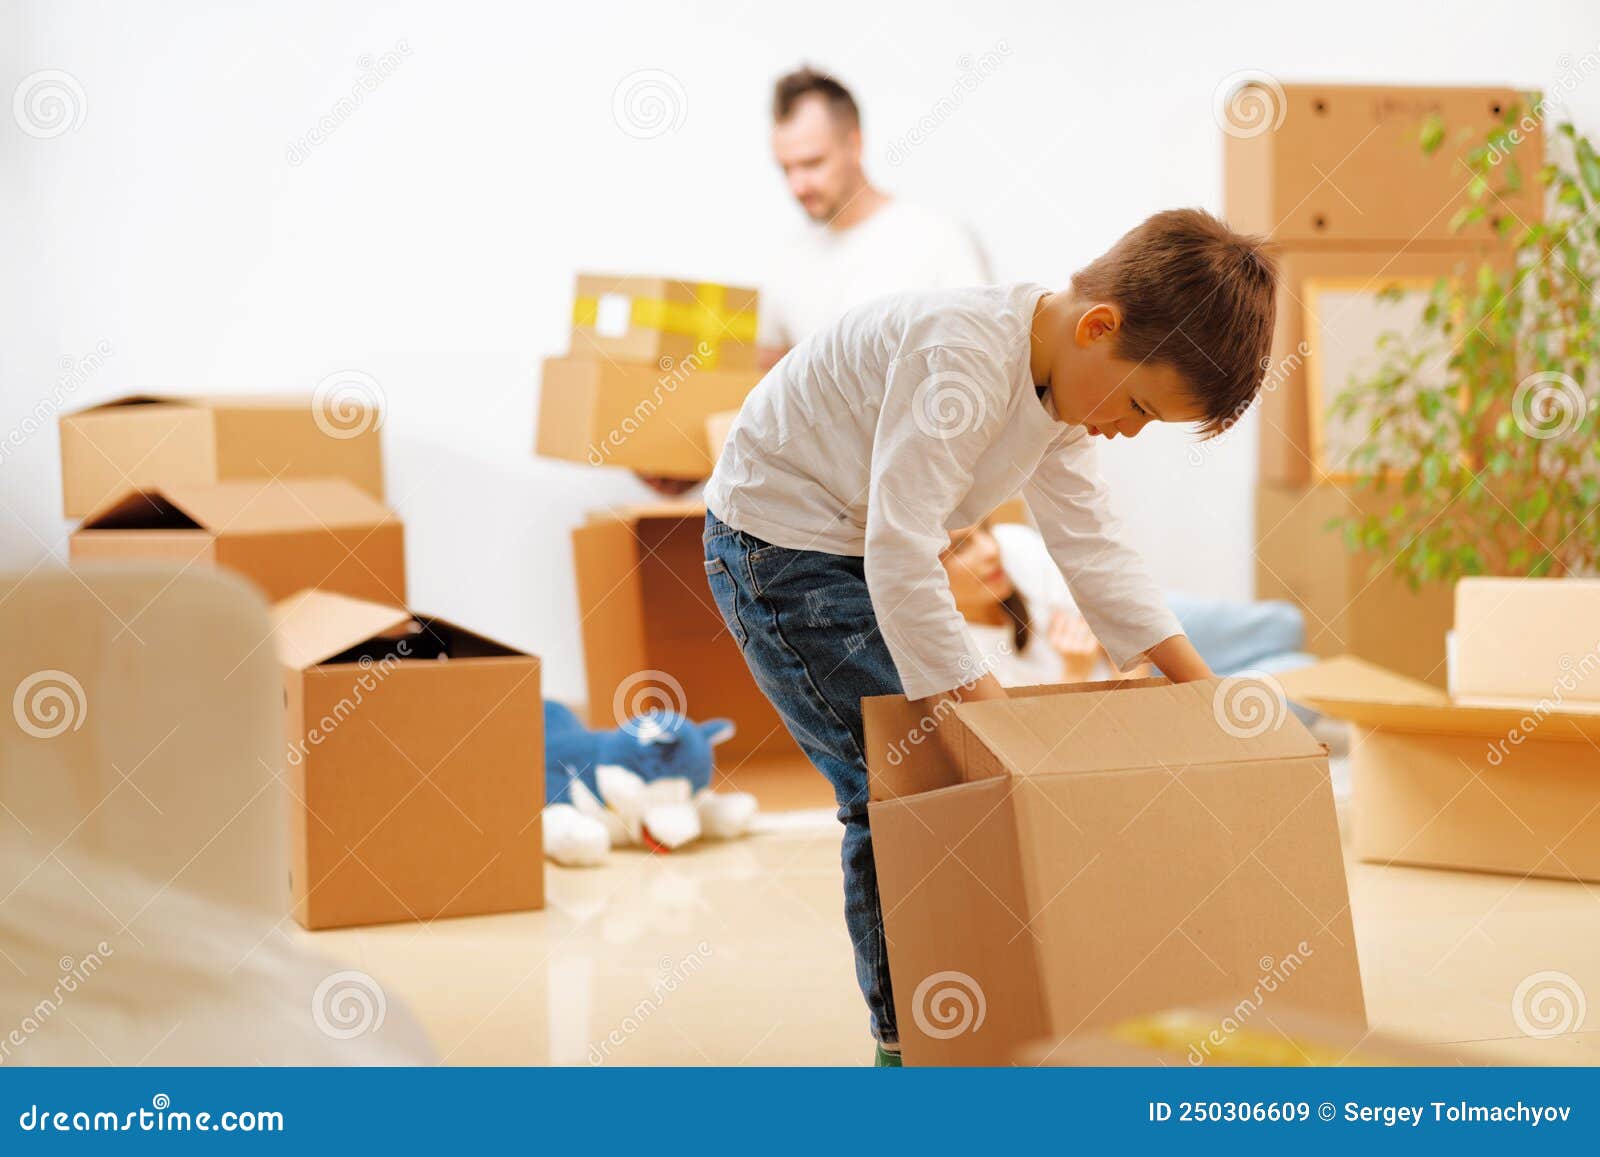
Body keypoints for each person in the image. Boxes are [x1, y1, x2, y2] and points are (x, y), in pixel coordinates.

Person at [701, 208, 1278, 1065]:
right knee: (896, 783)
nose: (1127, 430)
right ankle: (908, 1046)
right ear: (1099, 326)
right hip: (779, 544)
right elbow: (903, 550)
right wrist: (991, 717)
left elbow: (1092, 542)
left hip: (861, 543)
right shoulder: (963, 352)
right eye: (1140, 407)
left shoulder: (1066, 390)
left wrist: (1205, 690)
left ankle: (987, 1015)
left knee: (948, 778)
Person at [761, 67, 991, 360]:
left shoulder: (940, 242)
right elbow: (770, 390)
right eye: (786, 168)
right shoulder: (785, 266)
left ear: (854, 144)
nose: (797, 186)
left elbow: (984, 364)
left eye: (812, 163)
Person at [942, 518, 1318, 687]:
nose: (992, 550)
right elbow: (1053, 740)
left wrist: (1131, 662)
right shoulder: (969, 659)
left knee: (1285, 624)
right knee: (1303, 674)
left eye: (985, 530)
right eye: (962, 548)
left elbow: (1110, 612)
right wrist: (1075, 671)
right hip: (1119, 701)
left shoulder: (1014, 544)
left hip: (1134, 649)